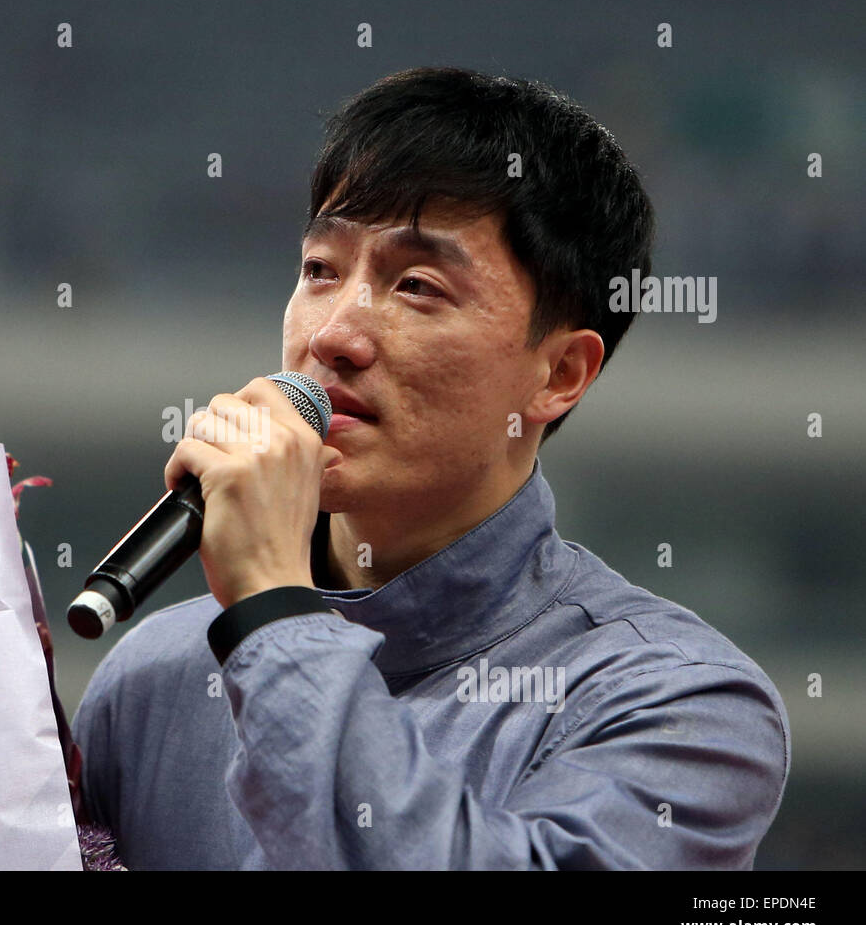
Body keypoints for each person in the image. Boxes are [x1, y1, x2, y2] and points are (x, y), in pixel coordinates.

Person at [70, 66, 789, 869]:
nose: (335, 334)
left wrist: (274, 610)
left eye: (416, 284)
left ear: (560, 375)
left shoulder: (677, 701)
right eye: (319, 270)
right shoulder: (156, 678)